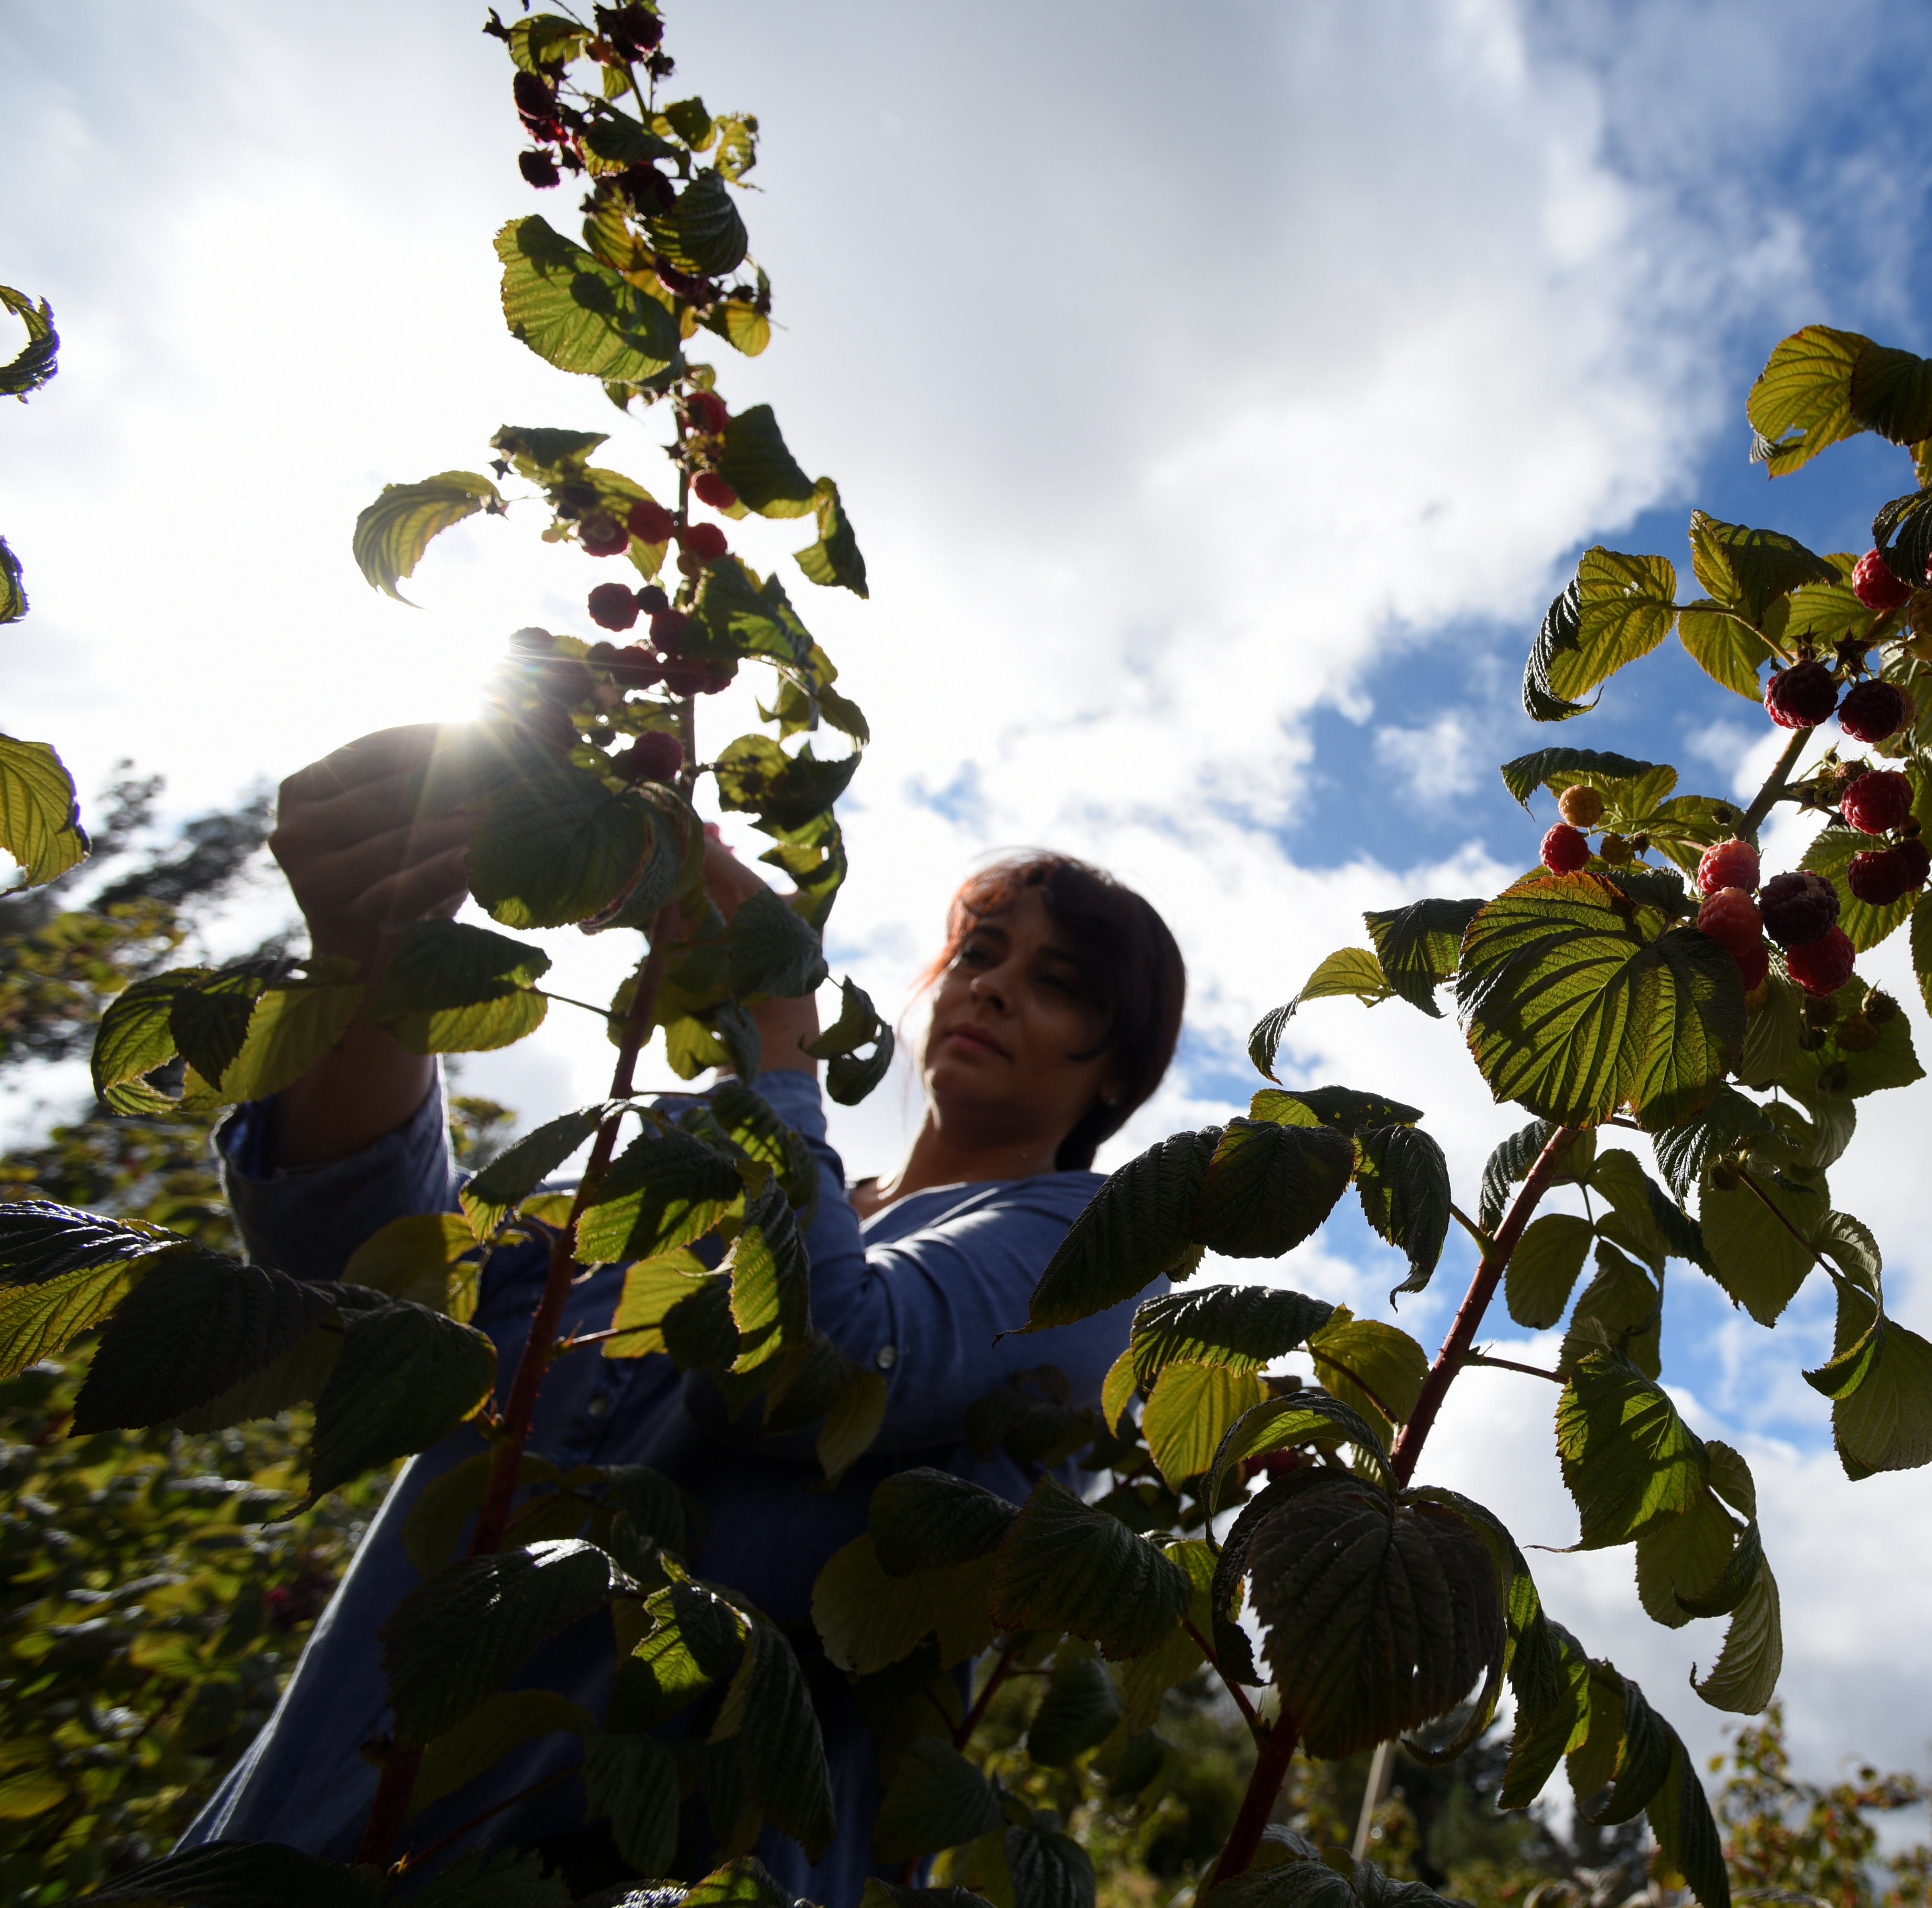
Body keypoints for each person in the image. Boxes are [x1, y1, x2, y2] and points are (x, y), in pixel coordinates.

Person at [176, 724, 1186, 1900]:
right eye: (981, 953)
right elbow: (378, 1296)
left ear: (1121, 1071)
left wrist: (777, 1041)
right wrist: (373, 961)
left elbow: (815, 1363)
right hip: (315, 1818)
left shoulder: (1091, 1253)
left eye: (1057, 984)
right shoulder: (704, 1165)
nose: (993, 985)